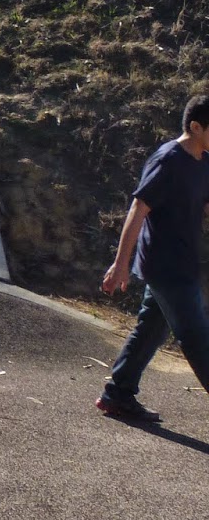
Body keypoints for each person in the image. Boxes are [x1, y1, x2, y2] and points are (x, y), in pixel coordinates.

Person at [98, 92, 209, 422]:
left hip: (185, 260)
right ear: (196, 126)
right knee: (197, 338)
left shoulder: (205, 160)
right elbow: (138, 209)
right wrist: (120, 265)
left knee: (151, 329)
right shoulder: (168, 160)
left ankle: (117, 393)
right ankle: (118, 392)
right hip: (165, 266)